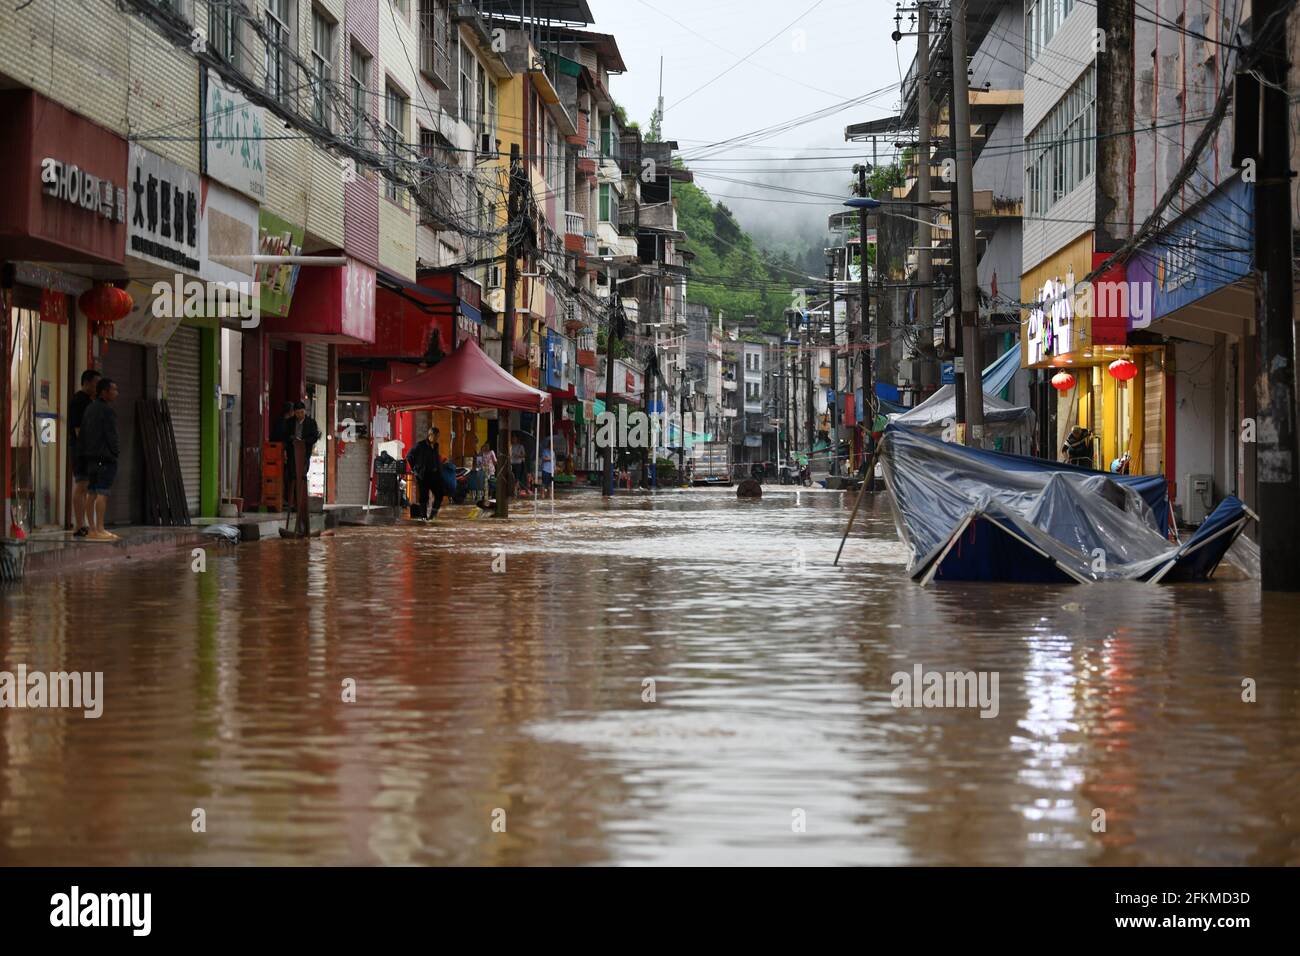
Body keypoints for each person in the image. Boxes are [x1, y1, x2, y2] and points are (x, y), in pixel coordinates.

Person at [79, 377, 120, 542]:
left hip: (91, 458)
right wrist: (115, 452)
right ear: (104, 392)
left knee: (92, 492)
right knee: (102, 493)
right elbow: (111, 435)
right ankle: (101, 528)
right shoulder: (107, 411)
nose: (116, 393)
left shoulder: (89, 409)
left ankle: (92, 529)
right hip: (105, 457)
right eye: (114, 390)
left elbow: (83, 433)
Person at [69, 369, 101, 537]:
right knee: (81, 485)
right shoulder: (78, 401)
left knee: (87, 486)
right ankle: (78, 525)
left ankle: (84, 524)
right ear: (87, 382)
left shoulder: (90, 401)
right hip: (82, 450)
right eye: (96, 383)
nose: (98, 386)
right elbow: (78, 429)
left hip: (90, 450)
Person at [284, 400, 321, 510]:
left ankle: (300, 501)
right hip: (292, 452)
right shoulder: (290, 422)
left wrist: (304, 441)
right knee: (291, 475)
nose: (300, 415)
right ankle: (292, 502)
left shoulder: (311, 423)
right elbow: (285, 436)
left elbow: (314, 437)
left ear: (305, 411)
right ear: (294, 413)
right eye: (297, 413)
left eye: (301, 412)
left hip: (304, 452)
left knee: (302, 475)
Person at [406, 427, 444, 519]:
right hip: (423, 475)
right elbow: (409, 456)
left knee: (439, 494)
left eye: (438, 436)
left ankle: (432, 515)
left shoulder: (436, 446)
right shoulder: (420, 445)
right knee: (424, 497)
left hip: (435, 475)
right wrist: (415, 469)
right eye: (436, 436)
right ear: (430, 435)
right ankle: (423, 516)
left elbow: (435, 458)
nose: (437, 438)